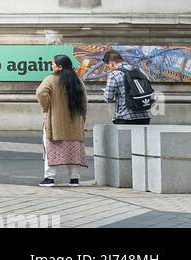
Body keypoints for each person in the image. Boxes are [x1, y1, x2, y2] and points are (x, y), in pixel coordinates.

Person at [36, 53, 89, 186]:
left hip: (55, 123)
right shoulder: (77, 80)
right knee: (74, 148)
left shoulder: (50, 79)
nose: (51, 66)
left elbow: (40, 92)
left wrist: (46, 106)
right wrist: (82, 118)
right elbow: (84, 101)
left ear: (59, 67)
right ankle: (74, 179)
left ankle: (50, 178)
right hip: (75, 122)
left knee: (51, 148)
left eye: (53, 64)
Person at [102, 47, 154, 126]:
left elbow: (108, 98)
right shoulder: (140, 70)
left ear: (111, 63)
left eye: (108, 66)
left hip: (125, 117)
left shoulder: (114, 74)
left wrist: (106, 91)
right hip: (145, 116)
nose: (109, 69)